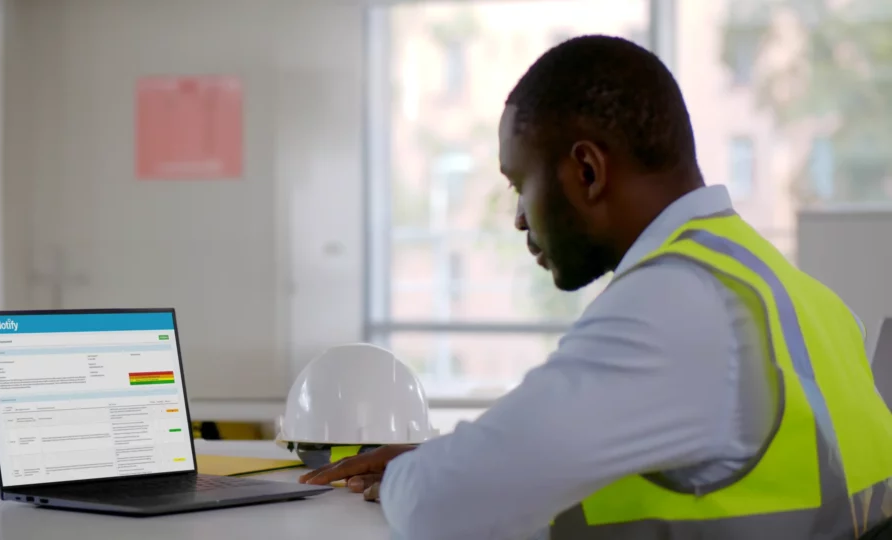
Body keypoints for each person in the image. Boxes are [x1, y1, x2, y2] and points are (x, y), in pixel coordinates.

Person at [300, 35, 892, 539]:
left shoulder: (677, 302)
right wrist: (453, 459)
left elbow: (444, 506)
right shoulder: (800, 296)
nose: (519, 219)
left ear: (587, 171)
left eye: (520, 184)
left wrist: (413, 475)